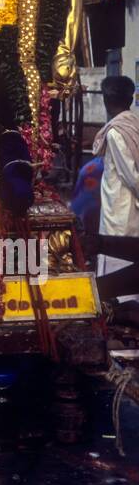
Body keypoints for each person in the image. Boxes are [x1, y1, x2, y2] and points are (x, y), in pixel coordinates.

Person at [92, 75, 139, 320]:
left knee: (114, 251)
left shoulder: (116, 133)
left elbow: (130, 175)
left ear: (107, 101)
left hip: (120, 206)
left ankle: (117, 312)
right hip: (125, 205)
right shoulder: (133, 123)